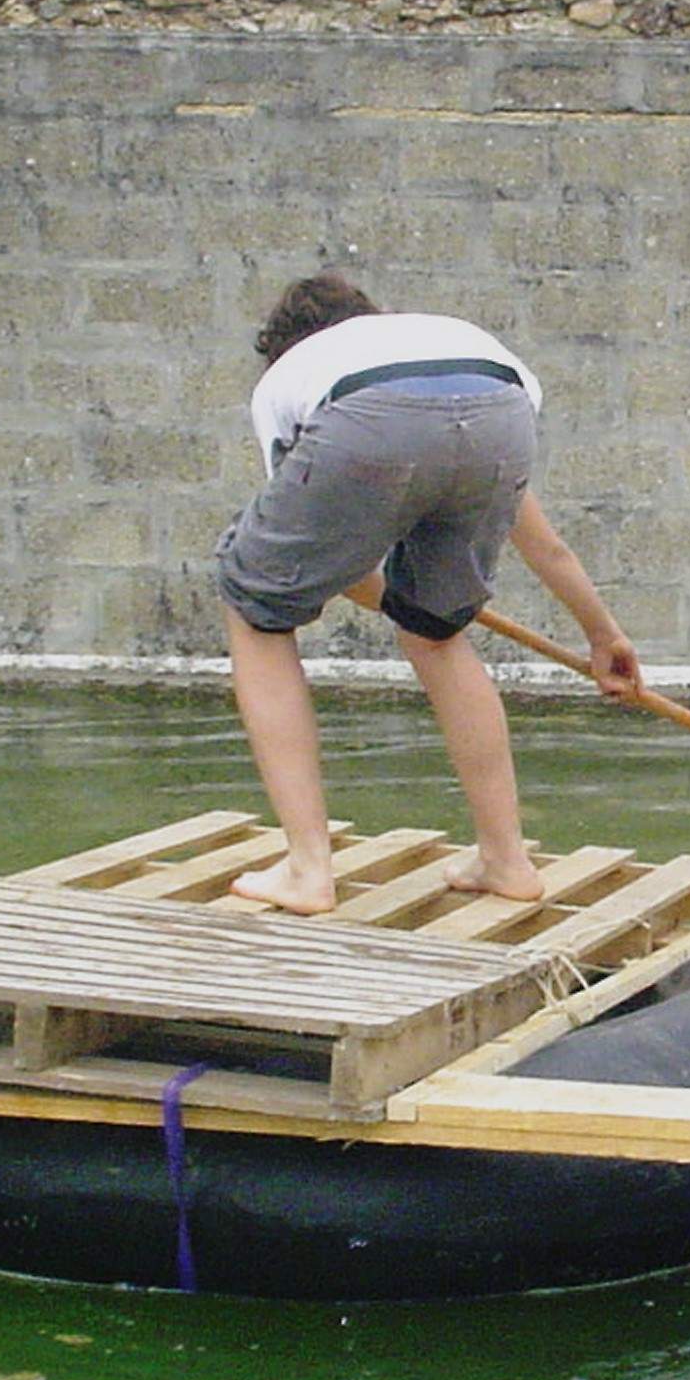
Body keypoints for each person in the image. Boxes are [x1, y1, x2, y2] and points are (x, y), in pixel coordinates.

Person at [212, 272, 639, 915]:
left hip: (368, 416)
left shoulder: (292, 378)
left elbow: (318, 573)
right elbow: (546, 544)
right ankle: (506, 859)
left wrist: (386, 597)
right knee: (437, 635)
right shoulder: (430, 340)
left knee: (255, 611)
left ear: (285, 347)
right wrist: (604, 636)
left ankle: (307, 868)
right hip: (501, 399)